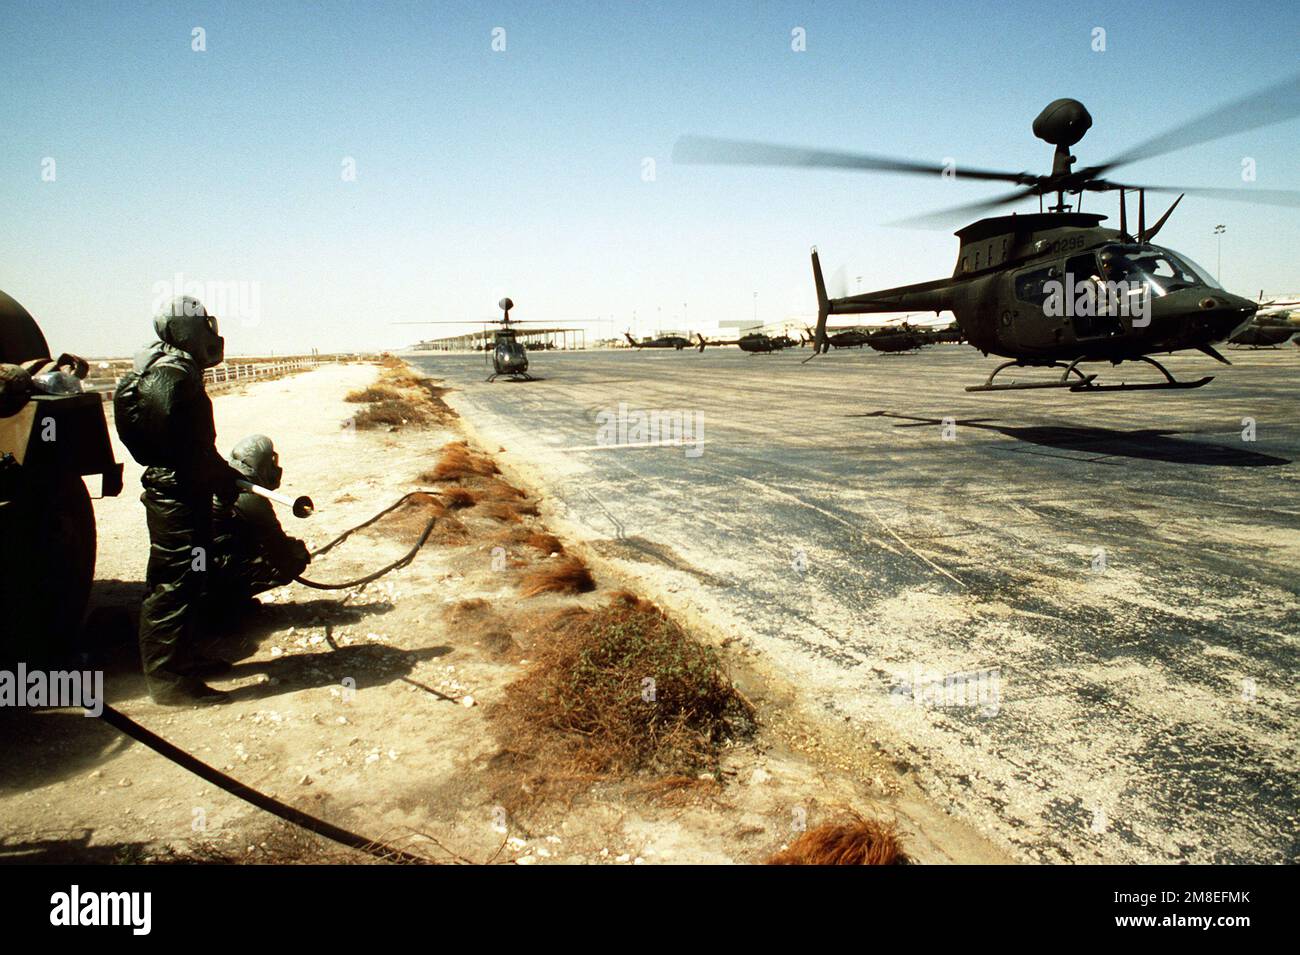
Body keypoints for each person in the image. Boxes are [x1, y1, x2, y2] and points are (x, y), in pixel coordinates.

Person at [114, 296, 242, 705]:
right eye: (203, 323)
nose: (210, 332)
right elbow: (171, 442)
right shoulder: (170, 373)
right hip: (177, 493)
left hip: (187, 488)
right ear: (186, 329)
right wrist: (207, 471)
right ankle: (169, 681)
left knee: (191, 578)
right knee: (174, 583)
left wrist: (217, 473)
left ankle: (183, 658)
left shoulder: (178, 368)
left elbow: (193, 443)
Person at [209, 434, 311, 610]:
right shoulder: (248, 495)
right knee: (293, 557)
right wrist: (297, 551)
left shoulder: (223, 480)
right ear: (262, 465)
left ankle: (221, 601)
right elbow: (278, 545)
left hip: (197, 563)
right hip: (208, 569)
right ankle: (223, 606)